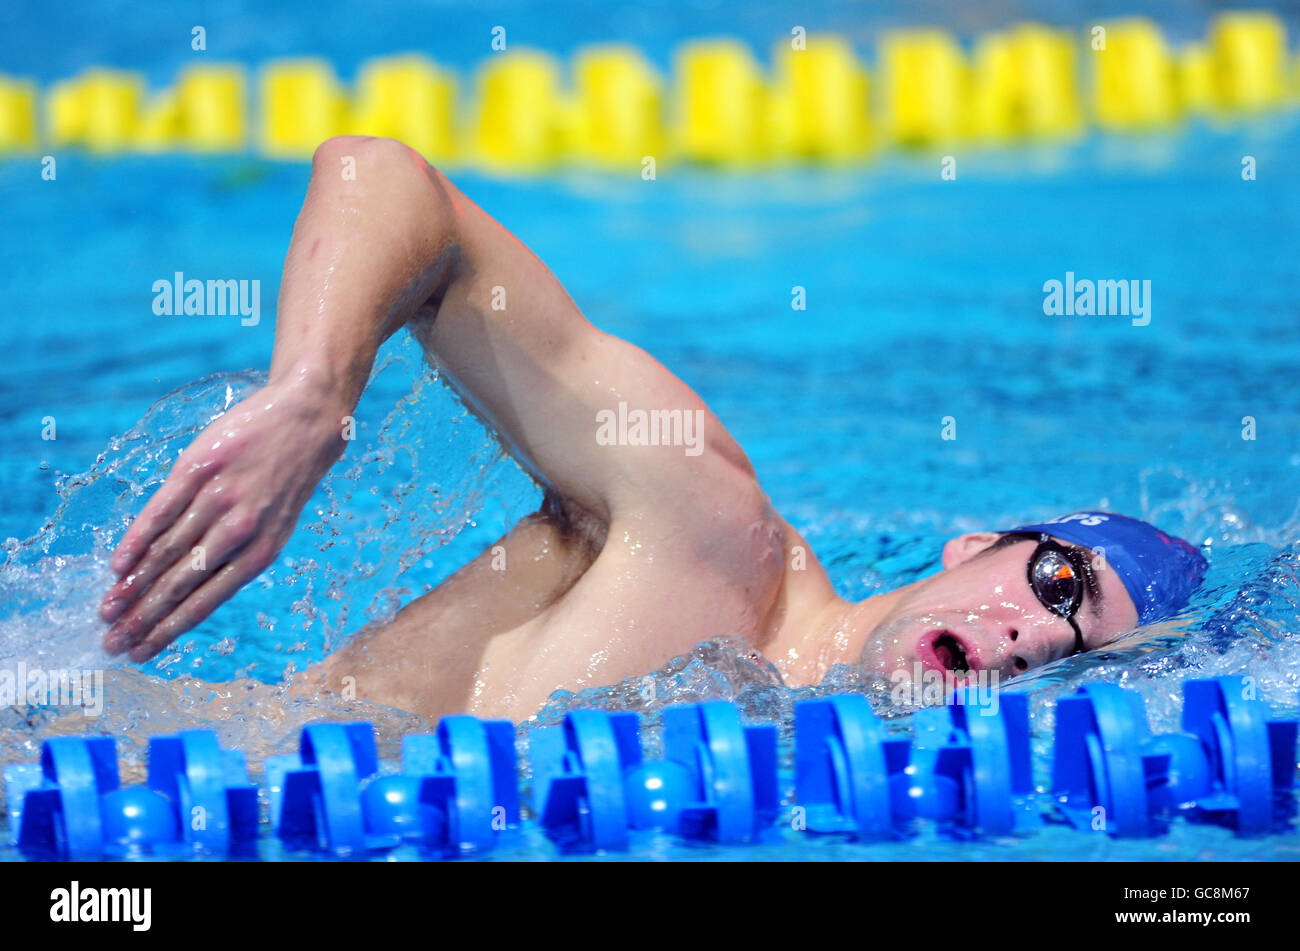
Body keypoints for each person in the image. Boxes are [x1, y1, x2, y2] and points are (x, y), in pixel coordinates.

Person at [96, 136, 1207, 723]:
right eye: (1059, 586)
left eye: (1079, 655)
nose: (1035, 640)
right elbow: (386, 181)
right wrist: (314, 394)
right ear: (974, 544)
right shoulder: (712, 529)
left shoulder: (799, 749)